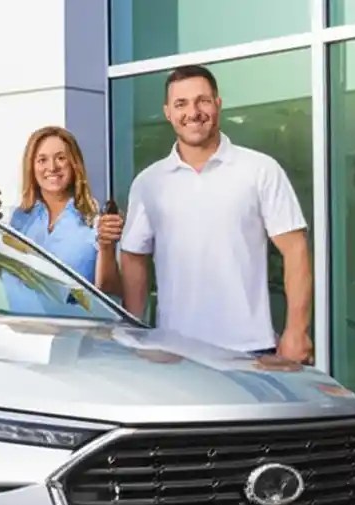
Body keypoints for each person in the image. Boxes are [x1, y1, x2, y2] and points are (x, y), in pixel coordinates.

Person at [118, 64, 313, 363]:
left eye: (202, 101)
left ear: (218, 104)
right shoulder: (148, 183)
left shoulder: (260, 169)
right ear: (167, 112)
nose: (193, 112)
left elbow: (295, 249)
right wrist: (135, 334)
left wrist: (296, 331)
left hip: (250, 349)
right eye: (181, 104)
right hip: (174, 351)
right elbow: (133, 257)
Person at [9, 126, 124, 294]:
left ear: (74, 164)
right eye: (42, 160)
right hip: (21, 320)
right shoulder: (18, 219)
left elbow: (110, 292)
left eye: (61, 158)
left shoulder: (96, 221)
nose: (52, 167)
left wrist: (106, 248)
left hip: (72, 320)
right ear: (32, 167)